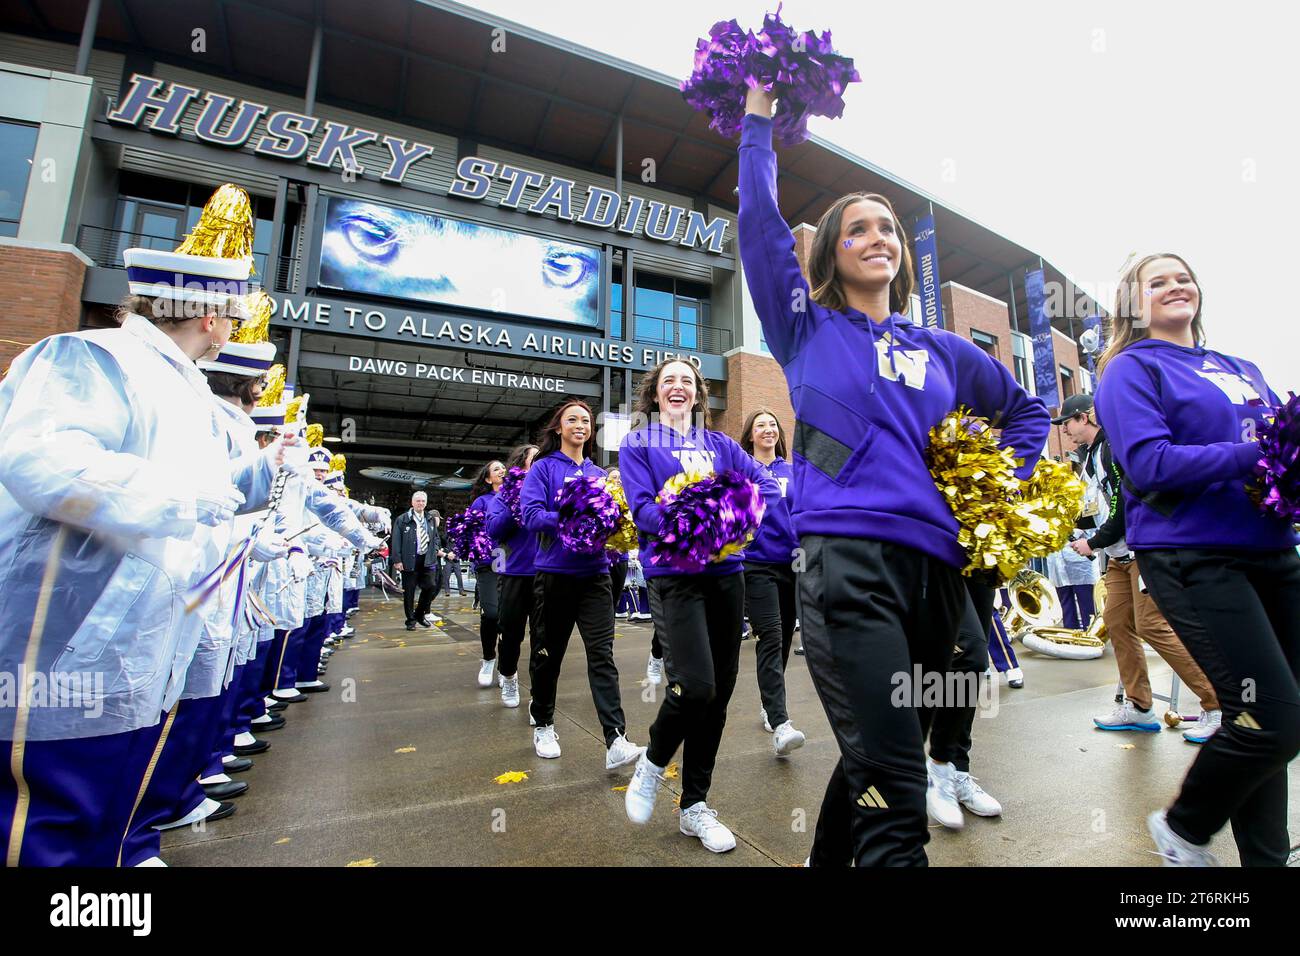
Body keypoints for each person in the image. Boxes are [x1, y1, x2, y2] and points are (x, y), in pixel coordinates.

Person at [737, 88, 1049, 866]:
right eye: (858, 228)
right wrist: (757, 120)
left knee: (888, 752)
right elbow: (759, 226)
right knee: (897, 794)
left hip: (940, 573)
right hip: (847, 567)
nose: (878, 237)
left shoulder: (942, 349)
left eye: (888, 229)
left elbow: (1028, 414)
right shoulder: (805, 329)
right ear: (832, 252)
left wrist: (993, 491)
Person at [0, 219, 292, 866]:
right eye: (232, 312)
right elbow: (42, 463)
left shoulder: (186, 390)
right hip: (63, 648)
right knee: (44, 829)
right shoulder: (89, 355)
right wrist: (186, 498)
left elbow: (235, 489)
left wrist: (275, 467)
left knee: (103, 823)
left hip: (136, 650)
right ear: (211, 317)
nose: (235, 326)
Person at [1095, 253, 1300, 867]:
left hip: (1272, 548)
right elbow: (1149, 464)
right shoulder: (1130, 369)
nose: (1176, 285)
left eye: (1183, 276)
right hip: (1195, 554)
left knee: (1264, 720)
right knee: (1274, 714)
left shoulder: (1244, 367)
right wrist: (1255, 453)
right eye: (1156, 280)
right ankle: (1184, 827)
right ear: (1133, 303)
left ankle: (1267, 859)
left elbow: (1278, 462)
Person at [619, 360, 782, 852]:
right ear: (654, 393)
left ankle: (694, 805)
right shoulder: (639, 443)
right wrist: (689, 520)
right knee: (695, 685)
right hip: (675, 577)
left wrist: (735, 516)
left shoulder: (723, 446)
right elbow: (642, 508)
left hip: (727, 578)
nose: (677, 387)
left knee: (721, 691)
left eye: (686, 381)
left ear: (697, 395)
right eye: (668, 380)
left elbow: (766, 485)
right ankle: (652, 764)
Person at [1054, 393, 1221, 740]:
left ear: (1085, 418)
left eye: (1067, 422)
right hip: (1119, 557)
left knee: (1151, 625)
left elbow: (1125, 505)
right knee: (1116, 622)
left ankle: (1218, 705)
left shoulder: (1113, 447)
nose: (1064, 430)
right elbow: (1103, 506)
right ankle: (1141, 706)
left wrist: (1094, 541)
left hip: (1143, 551)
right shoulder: (1091, 455)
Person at [522, 400, 643, 769]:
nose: (580, 425)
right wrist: (573, 515)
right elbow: (530, 516)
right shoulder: (543, 468)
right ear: (558, 428)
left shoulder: (598, 472)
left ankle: (615, 739)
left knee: (602, 656)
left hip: (595, 575)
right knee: (548, 656)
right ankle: (543, 721)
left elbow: (614, 521)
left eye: (586, 420)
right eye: (571, 419)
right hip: (554, 575)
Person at [737, 408, 806, 756]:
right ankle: (781, 722)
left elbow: (804, 513)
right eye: (761, 425)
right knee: (772, 634)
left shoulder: (793, 471)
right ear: (750, 434)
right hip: (755, 564)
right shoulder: (740, 470)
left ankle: (769, 702)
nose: (769, 429)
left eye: (773, 425)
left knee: (781, 640)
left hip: (791, 565)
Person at [485, 444, 539, 709]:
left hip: (547, 574)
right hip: (514, 573)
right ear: (522, 466)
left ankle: (540, 698)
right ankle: (508, 675)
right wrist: (518, 500)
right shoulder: (504, 496)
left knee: (545, 638)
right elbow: (494, 530)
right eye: (535, 460)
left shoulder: (551, 491)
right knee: (511, 634)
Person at [466, 461, 505, 686]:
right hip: (488, 562)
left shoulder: (515, 497)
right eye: (496, 469)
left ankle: (505, 666)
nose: (502, 471)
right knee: (491, 614)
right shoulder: (482, 502)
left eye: (503, 468)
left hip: (512, 563)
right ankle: (488, 658)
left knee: (508, 617)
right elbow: (472, 531)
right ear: (488, 479)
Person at [392, 491, 438, 631]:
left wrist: (435, 549)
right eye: (418, 501)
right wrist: (397, 559)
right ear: (412, 502)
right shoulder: (403, 519)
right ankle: (410, 620)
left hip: (426, 559)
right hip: (409, 559)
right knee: (409, 592)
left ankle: (419, 614)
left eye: (423, 501)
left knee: (430, 586)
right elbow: (396, 540)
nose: (421, 503)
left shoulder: (429, 518)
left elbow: (435, 537)